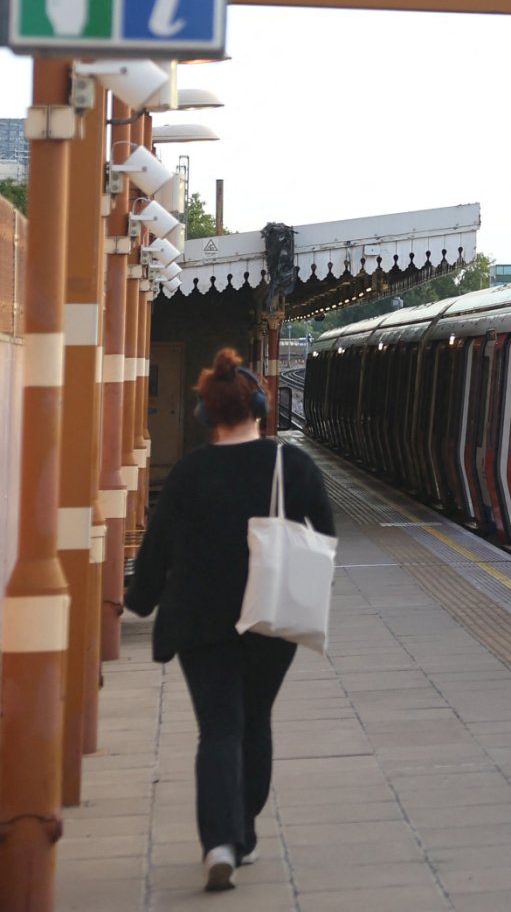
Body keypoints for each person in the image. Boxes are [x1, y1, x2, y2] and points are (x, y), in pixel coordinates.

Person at [126, 350, 335, 892]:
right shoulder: (292, 466)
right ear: (261, 408)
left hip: (199, 622)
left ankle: (219, 842)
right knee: (255, 719)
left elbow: (158, 545)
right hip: (272, 615)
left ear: (205, 416)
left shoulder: (190, 472)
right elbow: (324, 531)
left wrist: (141, 599)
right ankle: (244, 827)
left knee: (219, 728)